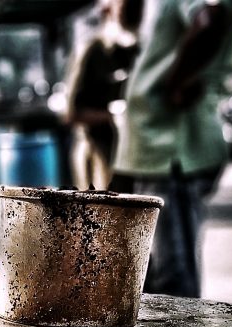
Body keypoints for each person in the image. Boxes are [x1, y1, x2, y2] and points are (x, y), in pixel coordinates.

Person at [111, 0, 232, 298]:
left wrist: (174, 84)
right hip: (162, 148)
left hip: (169, 147)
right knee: (158, 272)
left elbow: (208, 20)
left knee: (172, 279)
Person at [65, 0, 139, 191]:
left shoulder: (138, 51)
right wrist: (115, 116)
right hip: (99, 158)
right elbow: (72, 113)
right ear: (107, 7)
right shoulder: (92, 50)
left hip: (134, 160)